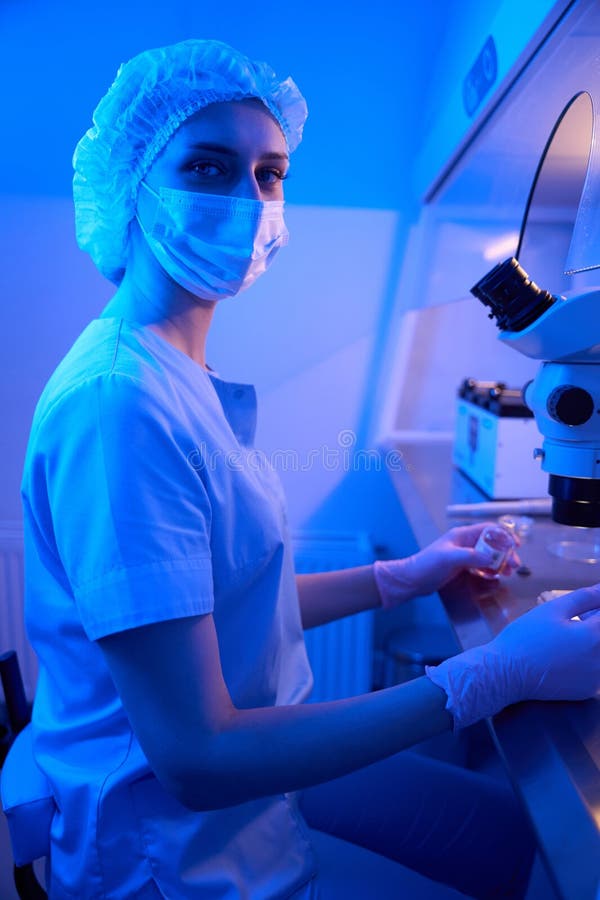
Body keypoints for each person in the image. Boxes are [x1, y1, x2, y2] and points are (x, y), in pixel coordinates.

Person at [20, 39, 599, 900]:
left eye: (270, 173)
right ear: (134, 187)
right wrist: (495, 670)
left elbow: (215, 601)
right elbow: (199, 760)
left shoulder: (176, 371)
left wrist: (397, 577)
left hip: (257, 778)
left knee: (507, 843)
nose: (250, 200)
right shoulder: (120, 409)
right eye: (209, 167)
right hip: (179, 849)